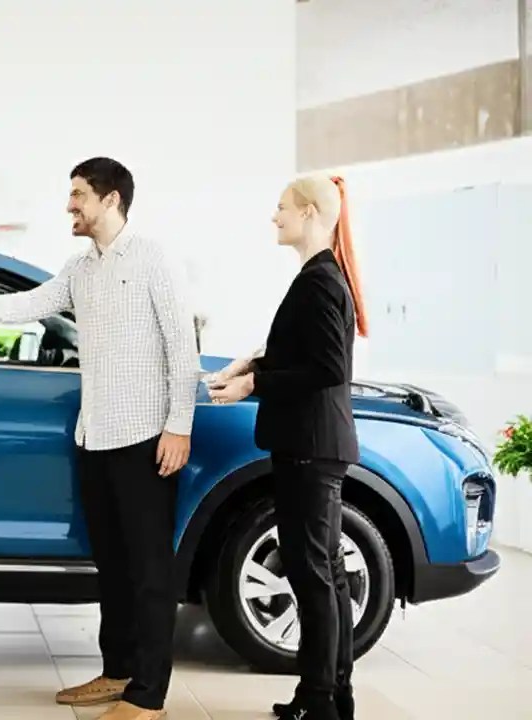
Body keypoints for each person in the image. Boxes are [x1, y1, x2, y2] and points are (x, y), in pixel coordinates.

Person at [0, 157, 199, 720]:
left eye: (79, 194)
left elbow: (182, 347)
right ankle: (117, 671)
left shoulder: (153, 257)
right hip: (95, 436)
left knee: (148, 569)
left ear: (111, 200)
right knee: (111, 564)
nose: (70, 205)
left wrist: (178, 426)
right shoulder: (81, 267)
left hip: (144, 437)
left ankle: (148, 694)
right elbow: (34, 302)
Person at [208, 175, 366, 720]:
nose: (274, 217)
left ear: (310, 213)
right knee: (325, 573)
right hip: (314, 445)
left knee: (314, 575)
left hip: (310, 446)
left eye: (281, 208)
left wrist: (255, 384)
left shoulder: (320, 281)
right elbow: (302, 355)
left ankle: (320, 701)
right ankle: (329, 696)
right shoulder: (321, 277)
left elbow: (326, 369)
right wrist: (249, 366)